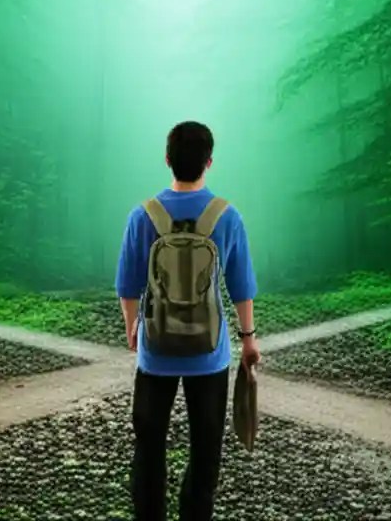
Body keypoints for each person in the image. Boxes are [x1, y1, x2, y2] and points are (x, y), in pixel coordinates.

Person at [115, 120, 261, 521]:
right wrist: (248, 339)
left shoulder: (143, 216)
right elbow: (241, 286)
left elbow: (127, 285)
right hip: (209, 354)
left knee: (148, 447)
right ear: (208, 162)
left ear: (167, 160)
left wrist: (133, 328)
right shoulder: (227, 217)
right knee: (205, 448)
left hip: (156, 352)